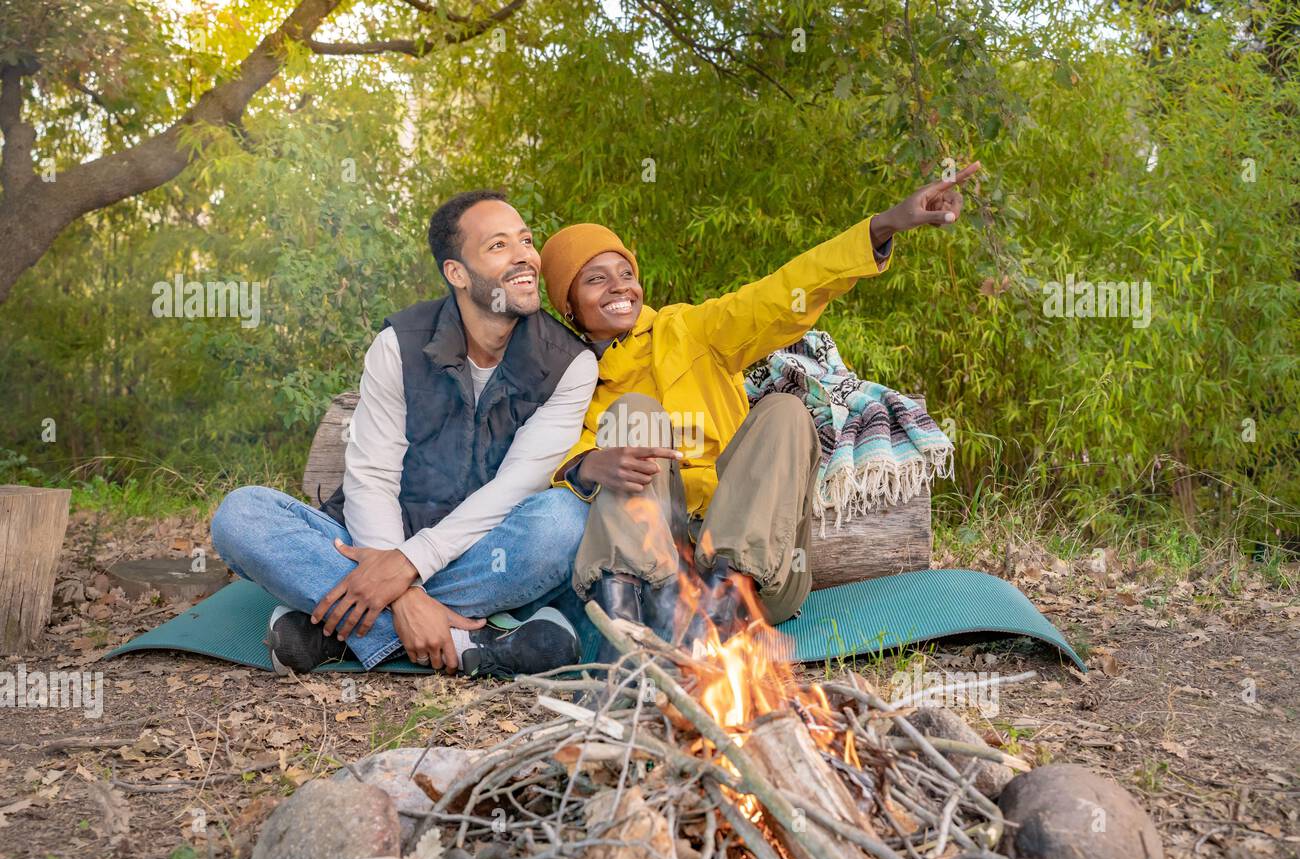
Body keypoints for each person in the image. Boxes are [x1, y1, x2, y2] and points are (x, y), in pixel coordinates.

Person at [540, 164, 981, 655]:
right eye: (596, 280)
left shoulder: (691, 330)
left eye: (626, 273)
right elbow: (545, 460)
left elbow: (780, 293)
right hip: (652, 575)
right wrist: (586, 463)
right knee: (634, 411)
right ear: (569, 307)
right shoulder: (569, 381)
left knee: (786, 412)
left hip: (754, 574)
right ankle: (624, 635)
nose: (620, 287)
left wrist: (883, 226)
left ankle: (720, 615)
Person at [211, 191, 599, 677]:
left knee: (564, 521)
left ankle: (341, 630)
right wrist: (407, 592)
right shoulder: (400, 343)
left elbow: (517, 486)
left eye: (526, 240)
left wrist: (408, 569)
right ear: (457, 273)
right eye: (499, 246)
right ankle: (469, 642)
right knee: (241, 516)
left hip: (480, 552)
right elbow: (371, 477)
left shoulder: (569, 363)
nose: (525, 255)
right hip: (372, 542)